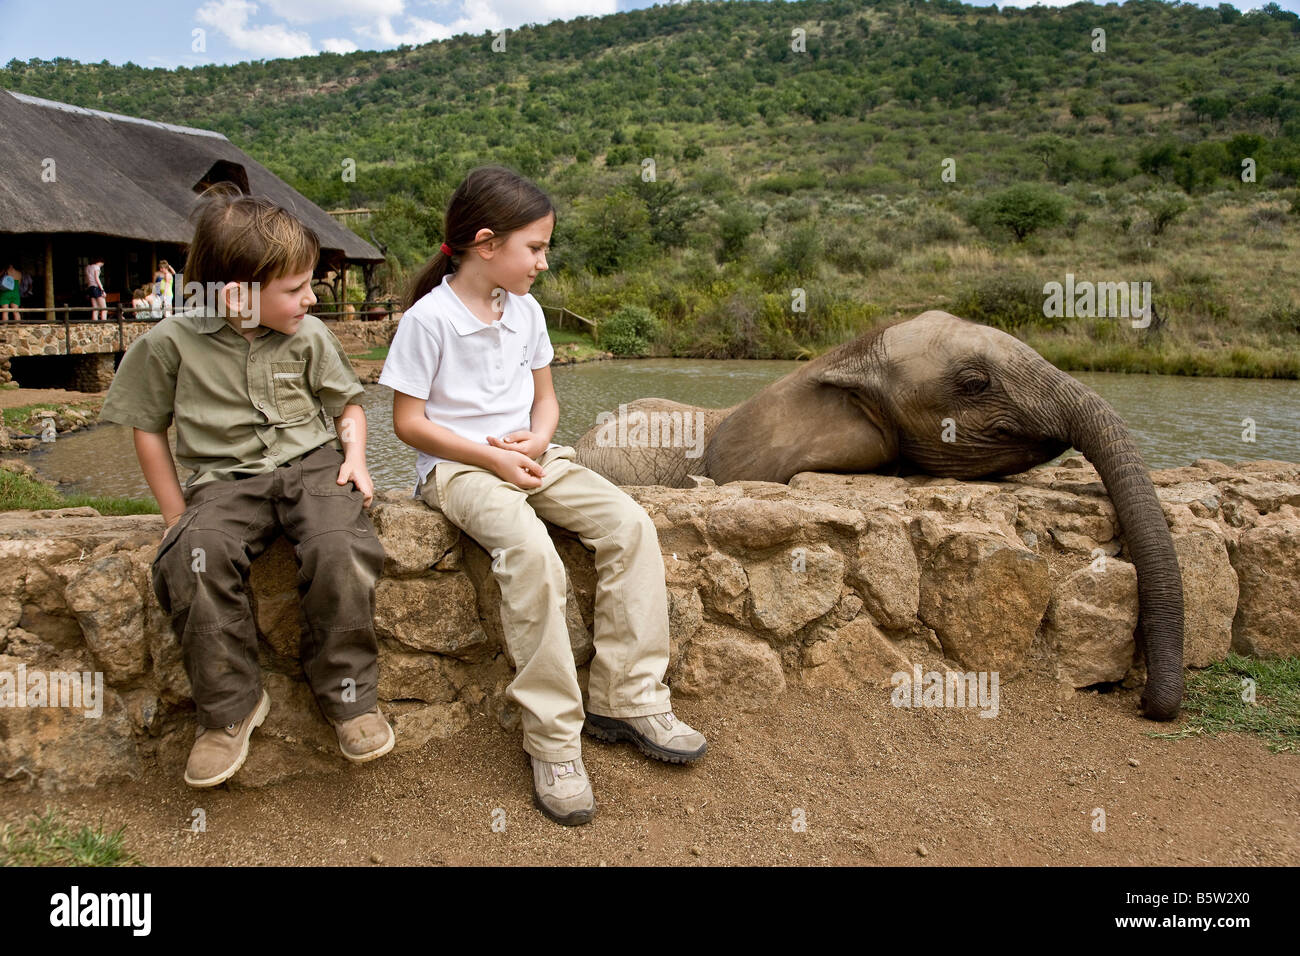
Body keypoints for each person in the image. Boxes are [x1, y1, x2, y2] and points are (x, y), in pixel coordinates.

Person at [380, 165, 706, 827]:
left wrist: (533, 444)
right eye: (536, 248)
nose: (544, 263)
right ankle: (554, 742)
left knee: (630, 524)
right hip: (459, 469)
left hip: (533, 455)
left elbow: (547, 402)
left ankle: (628, 696)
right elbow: (409, 424)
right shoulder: (428, 319)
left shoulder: (524, 311)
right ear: (486, 243)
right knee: (531, 555)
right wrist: (489, 455)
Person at [99, 185, 393, 788]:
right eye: (295, 288)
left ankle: (347, 694)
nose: (311, 298)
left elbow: (347, 407)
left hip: (313, 466)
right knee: (193, 560)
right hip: (224, 482)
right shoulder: (168, 344)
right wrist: (175, 513)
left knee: (340, 546)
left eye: (310, 284)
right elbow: (149, 431)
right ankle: (228, 710)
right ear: (235, 293)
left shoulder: (309, 335)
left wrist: (356, 455)